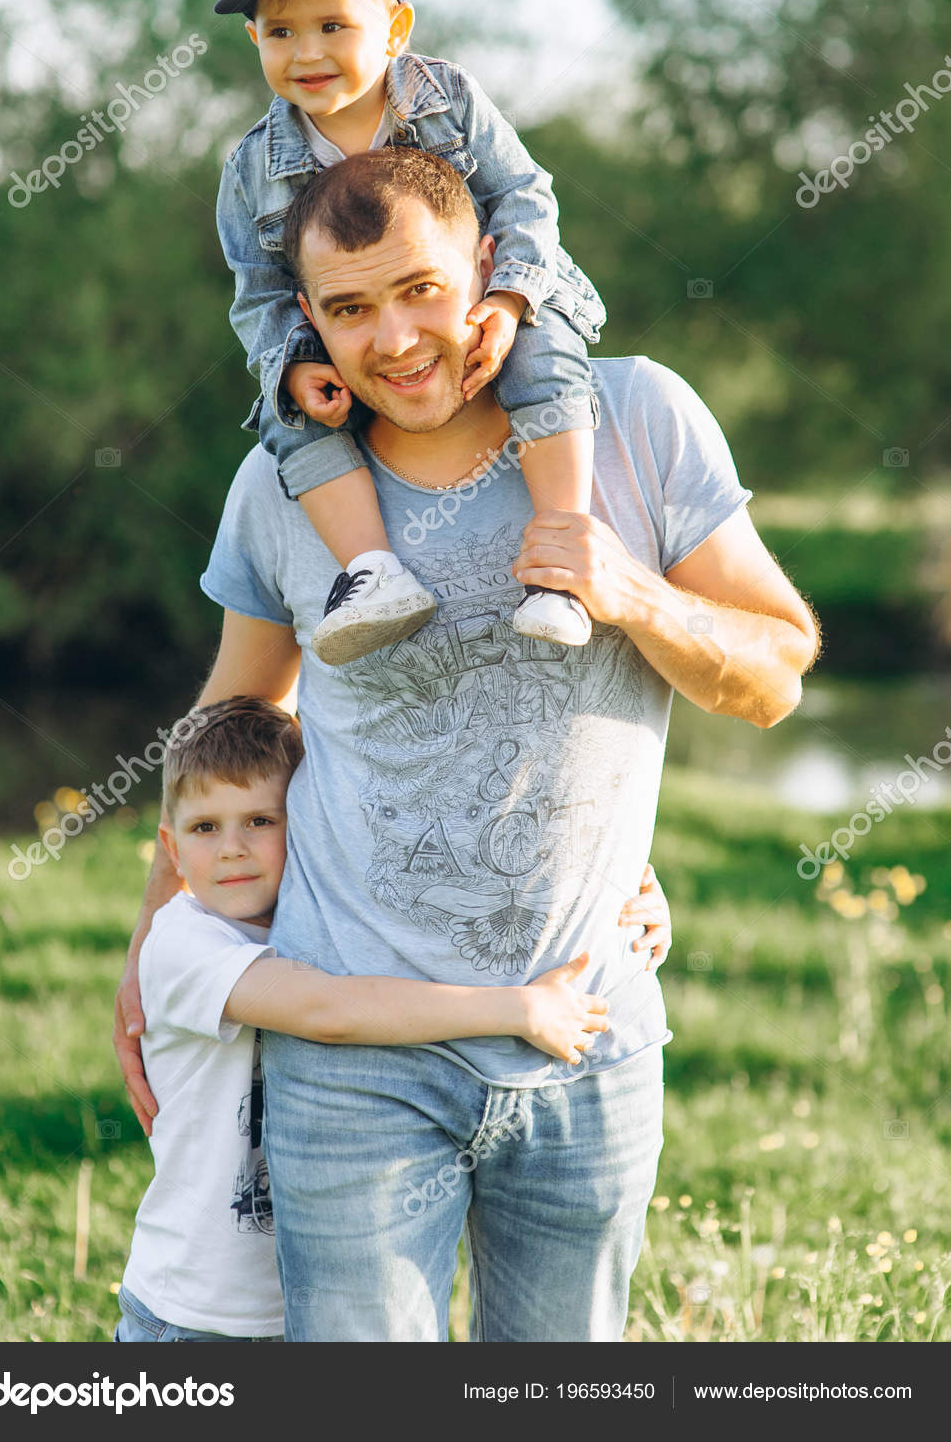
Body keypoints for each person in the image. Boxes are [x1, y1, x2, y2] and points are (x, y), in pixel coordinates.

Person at [114, 149, 818, 1342]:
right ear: (306, 321)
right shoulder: (283, 480)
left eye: (421, 290)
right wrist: (155, 942)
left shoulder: (635, 416)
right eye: (347, 309)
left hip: (589, 1033)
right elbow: (234, 725)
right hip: (356, 1055)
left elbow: (775, 676)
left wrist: (634, 593)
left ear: (490, 268)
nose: (392, 339)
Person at [115, 693, 670, 1344]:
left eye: (259, 821)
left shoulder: (314, 919)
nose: (231, 849)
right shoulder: (182, 945)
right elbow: (330, 1011)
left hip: (306, 1308)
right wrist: (517, 1009)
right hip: (199, 1317)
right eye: (204, 828)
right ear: (171, 849)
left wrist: (621, 901)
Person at [215, 0, 606, 663]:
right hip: (344, 338)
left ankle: (561, 565)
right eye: (280, 33)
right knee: (282, 421)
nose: (306, 53)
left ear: (394, 28)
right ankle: (371, 573)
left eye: (333, 26)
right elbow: (258, 292)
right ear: (255, 38)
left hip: (499, 293)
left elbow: (524, 195)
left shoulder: (447, 100)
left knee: (543, 357)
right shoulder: (251, 166)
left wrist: (508, 296)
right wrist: (291, 368)